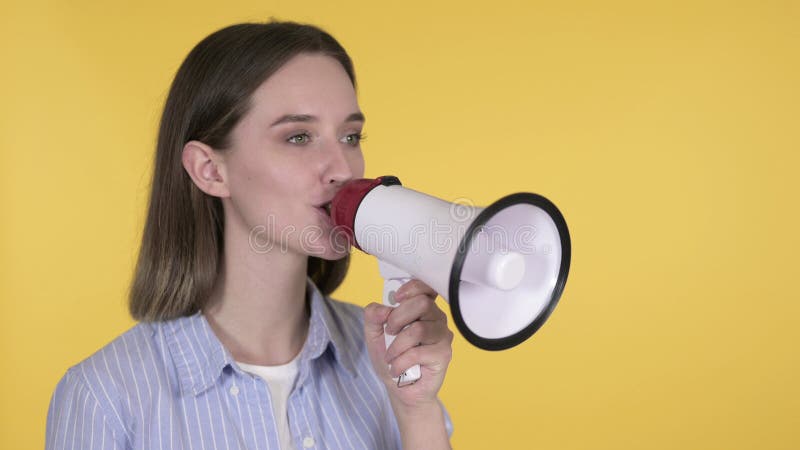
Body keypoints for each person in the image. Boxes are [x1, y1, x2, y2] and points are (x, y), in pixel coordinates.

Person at [45, 20, 454, 450]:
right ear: (210, 169)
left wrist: (416, 411)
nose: (342, 169)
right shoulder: (105, 398)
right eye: (299, 137)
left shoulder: (389, 361)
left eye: (350, 136)